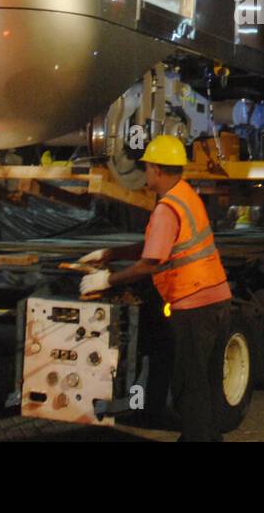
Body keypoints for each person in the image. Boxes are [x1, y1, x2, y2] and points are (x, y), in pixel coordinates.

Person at [76, 135, 232, 441]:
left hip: (193, 305)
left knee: (188, 387)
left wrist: (107, 279)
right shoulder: (185, 196)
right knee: (206, 383)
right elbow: (156, 247)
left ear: (157, 170)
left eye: (147, 167)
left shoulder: (166, 208)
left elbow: (151, 262)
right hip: (217, 300)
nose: (145, 173)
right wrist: (111, 254)